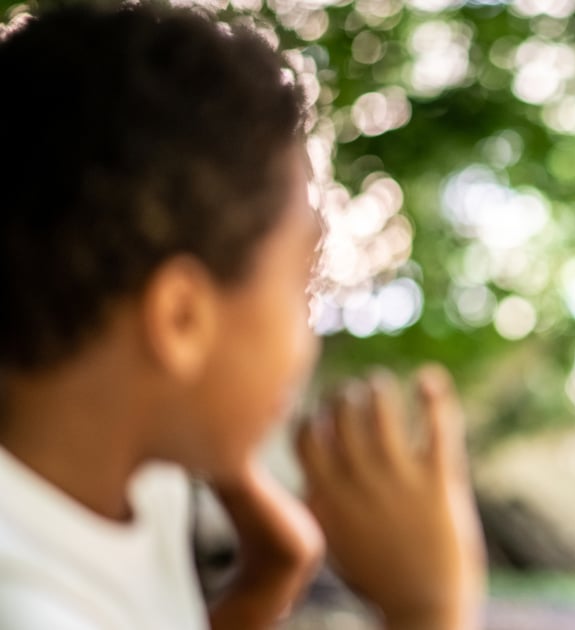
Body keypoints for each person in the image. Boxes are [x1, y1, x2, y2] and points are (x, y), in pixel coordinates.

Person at [0, 4, 483, 629]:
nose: (309, 335)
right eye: (303, 283)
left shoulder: (134, 476)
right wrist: (431, 610)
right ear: (181, 319)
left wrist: (265, 582)